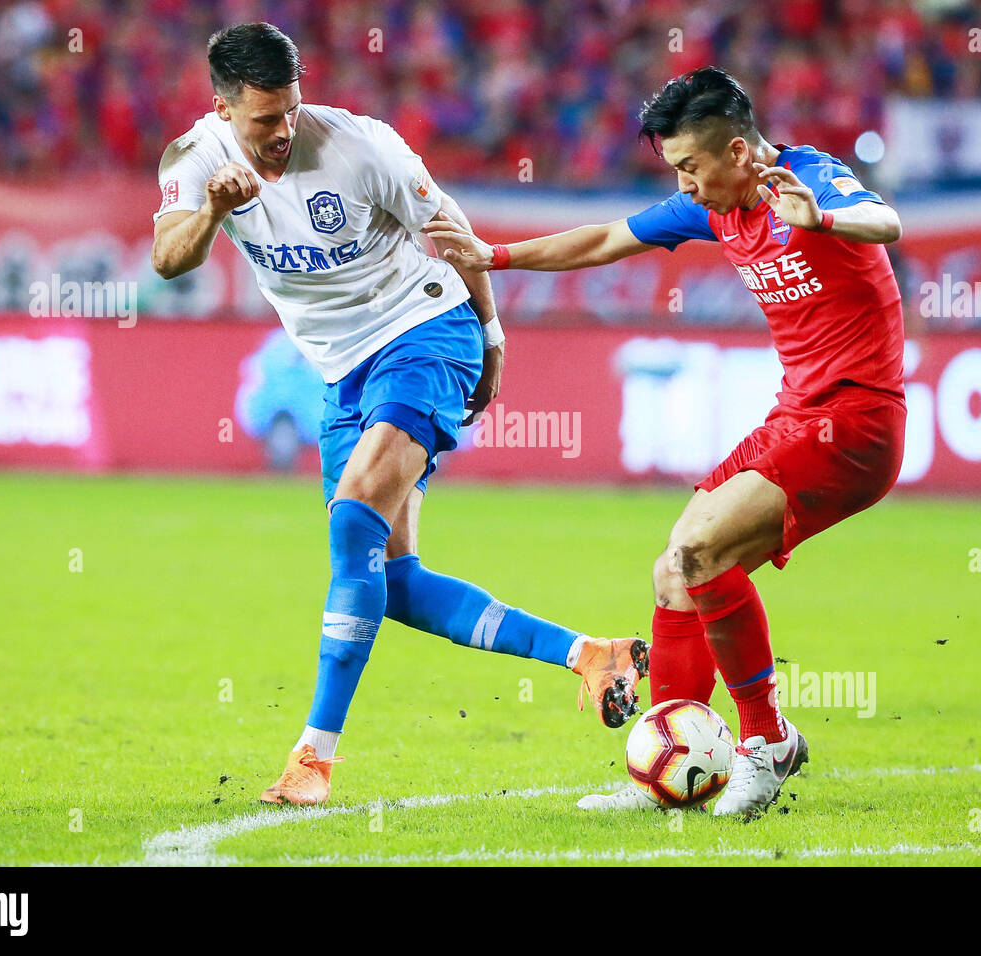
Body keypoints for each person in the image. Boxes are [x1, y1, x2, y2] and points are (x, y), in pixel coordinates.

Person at [150, 23, 647, 806]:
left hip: (426, 331)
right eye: (262, 120)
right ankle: (593, 653)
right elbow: (168, 259)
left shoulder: (358, 146)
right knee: (390, 579)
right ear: (220, 108)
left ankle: (311, 761)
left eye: (290, 111)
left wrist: (491, 336)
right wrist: (212, 211)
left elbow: (454, 233)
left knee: (352, 525)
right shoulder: (195, 162)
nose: (281, 132)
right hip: (344, 373)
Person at [424, 66, 906, 817]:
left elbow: (886, 222)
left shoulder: (808, 179)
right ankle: (672, 765)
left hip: (857, 419)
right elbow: (607, 239)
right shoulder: (713, 210)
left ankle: (766, 741)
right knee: (673, 574)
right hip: (797, 414)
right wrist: (495, 256)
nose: (683, 186)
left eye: (690, 166)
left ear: (740, 152)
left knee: (698, 551)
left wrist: (823, 221)